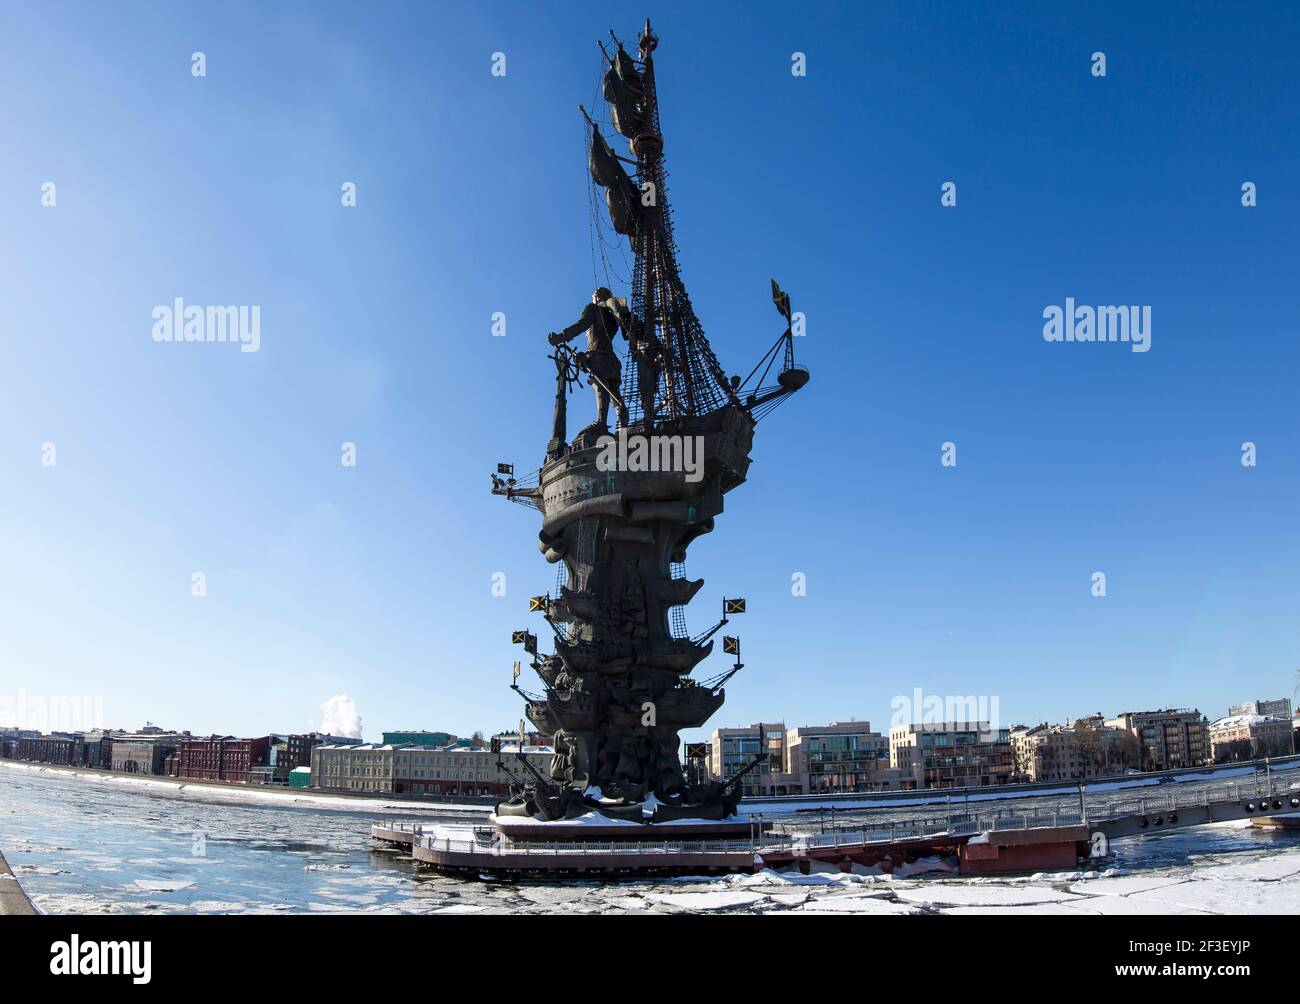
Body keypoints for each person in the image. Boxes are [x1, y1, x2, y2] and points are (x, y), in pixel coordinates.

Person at [549, 286, 627, 428]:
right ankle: (622, 424)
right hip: (612, 359)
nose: (595, 293)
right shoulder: (613, 317)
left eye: (598, 293)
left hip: (597, 355)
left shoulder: (593, 309)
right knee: (614, 393)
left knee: (600, 387)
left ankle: (601, 424)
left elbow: (581, 325)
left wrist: (561, 337)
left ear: (598, 297)